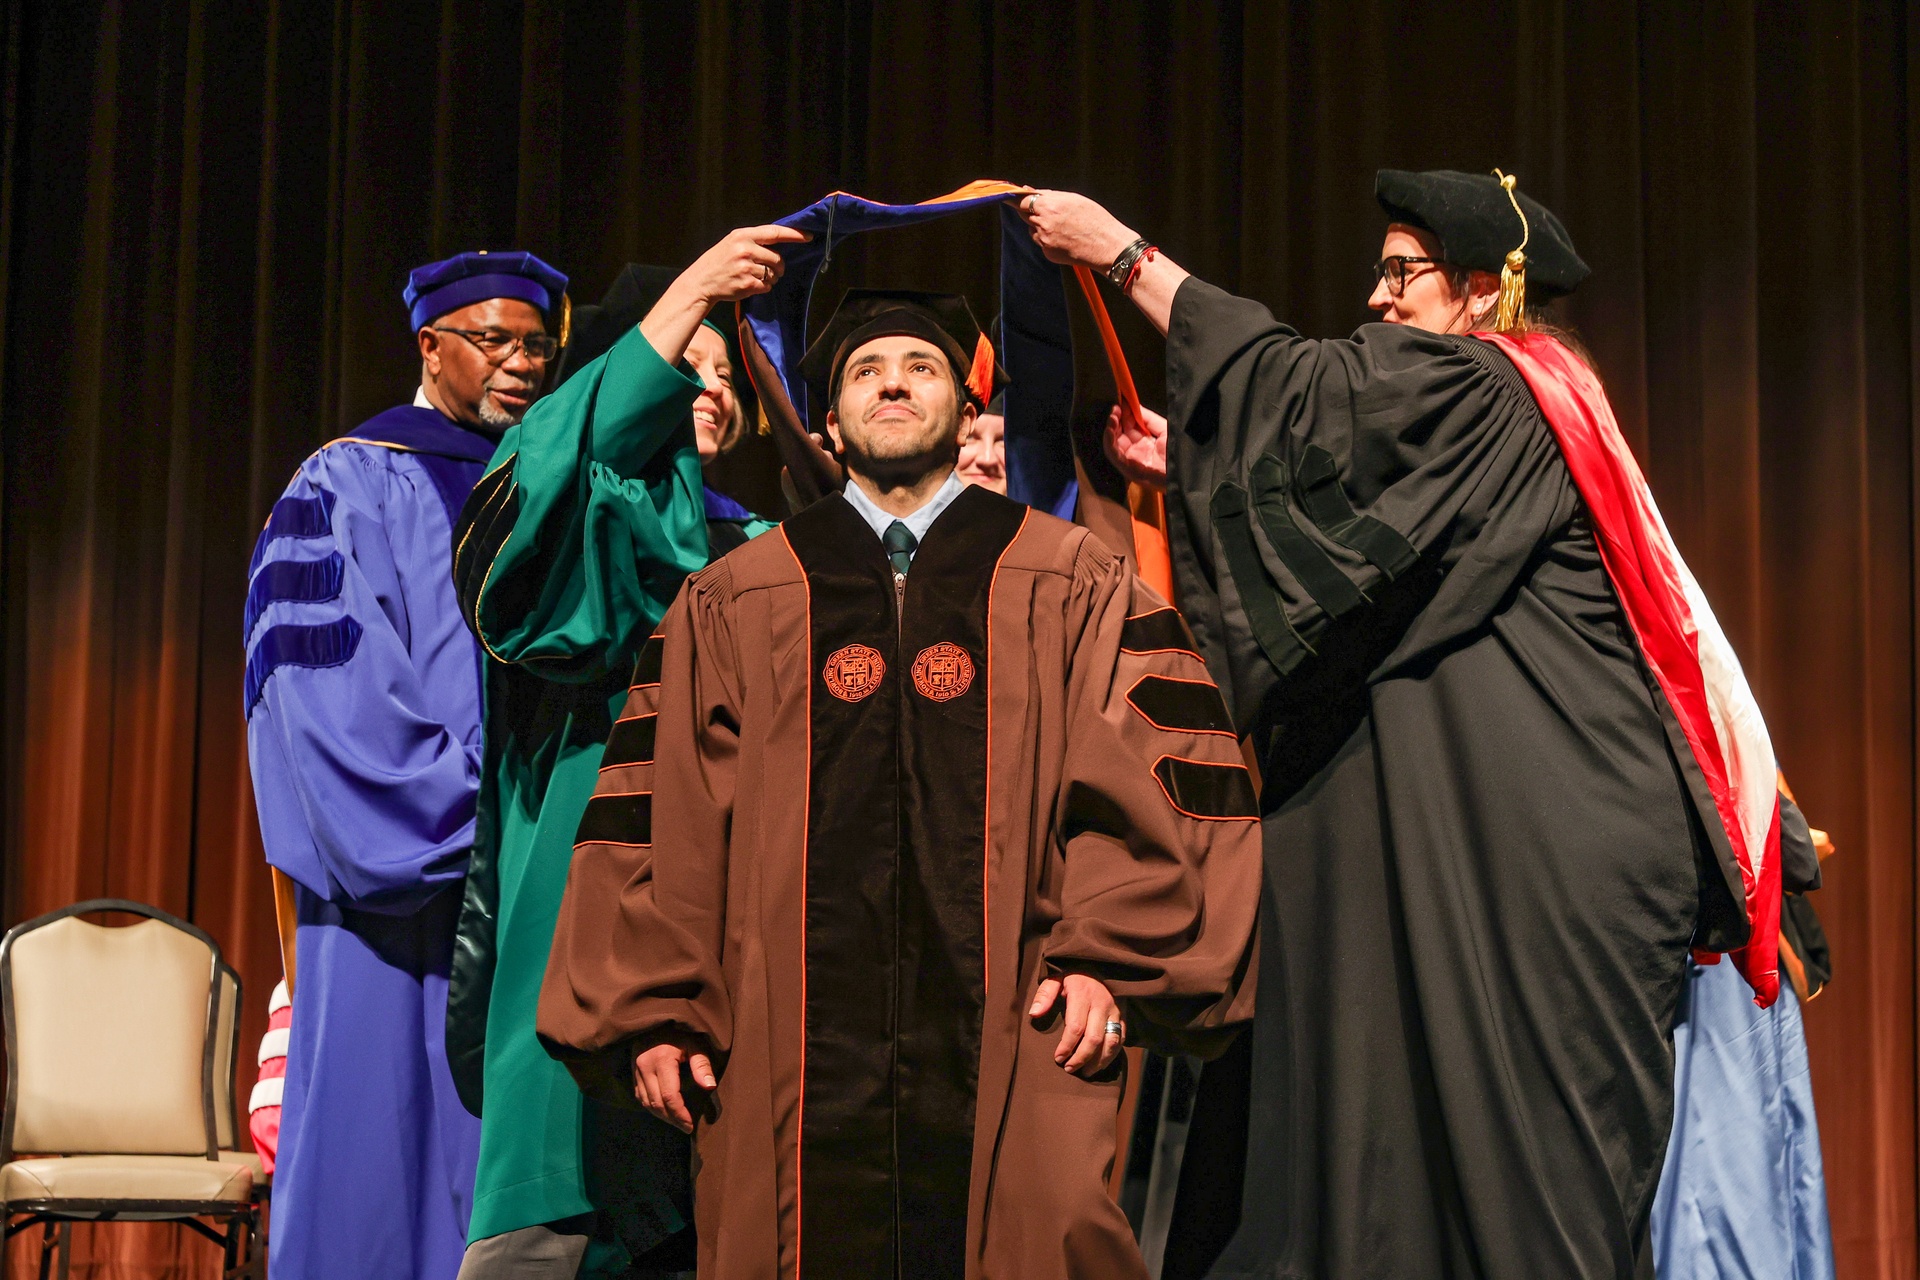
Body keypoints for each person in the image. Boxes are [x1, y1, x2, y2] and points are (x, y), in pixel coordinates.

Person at [1021, 171, 1787, 1279]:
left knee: (1513, 1194)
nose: (1377, 298)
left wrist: (1123, 254)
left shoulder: (1499, 386)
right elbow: (1353, 515)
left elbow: (1312, 400)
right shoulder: (1514, 410)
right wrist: (1187, 461)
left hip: (1535, 872)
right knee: (1380, 1172)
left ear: (1486, 289)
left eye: (1402, 273)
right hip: (1464, 851)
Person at [536, 288, 1263, 1279]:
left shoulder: (1071, 577)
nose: (893, 381)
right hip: (780, 1049)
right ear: (827, 422)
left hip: (1025, 1027)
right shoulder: (737, 597)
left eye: (922, 367)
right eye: (866, 370)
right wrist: (657, 1005)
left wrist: (1113, 957)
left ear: (966, 413)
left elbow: (1157, 778)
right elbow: (660, 809)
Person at [446, 231, 796, 1279]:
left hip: (730, 966)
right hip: (580, 933)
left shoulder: (779, 548)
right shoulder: (582, 532)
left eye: (726, 373)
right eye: (684, 358)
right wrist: (694, 288)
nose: (705, 382)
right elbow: (560, 480)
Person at [244, 250, 568, 1280]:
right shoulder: (346, 478)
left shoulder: (560, 486)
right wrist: (486, 822)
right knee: (381, 1161)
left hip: (538, 895)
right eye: (495, 339)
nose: (520, 364)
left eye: (537, 346)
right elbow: (327, 699)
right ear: (432, 346)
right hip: (403, 888)